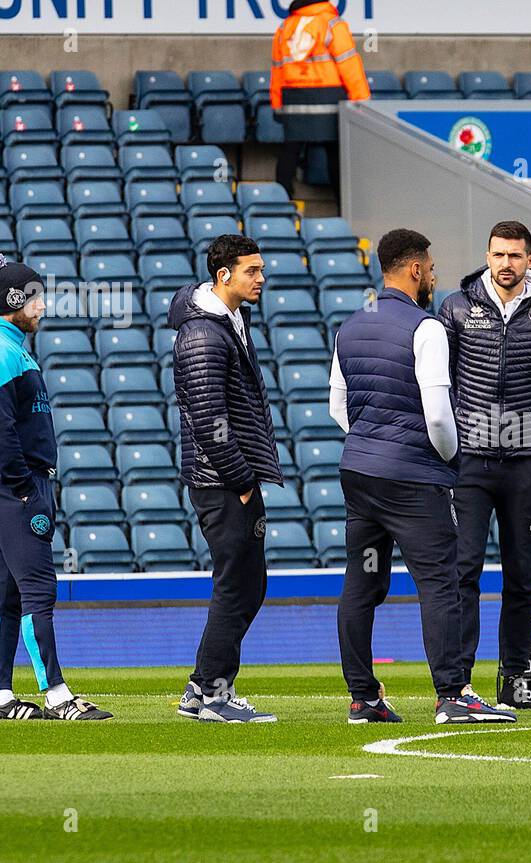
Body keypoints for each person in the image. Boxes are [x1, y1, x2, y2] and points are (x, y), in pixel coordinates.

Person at [331, 228, 515, 725]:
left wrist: (373, 440)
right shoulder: (427, 327)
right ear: (414, 269)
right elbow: (438, 414)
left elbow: (337, 406)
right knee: (442, 584)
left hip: (360, 472)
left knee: (361, 584)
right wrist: (449, 461)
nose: (433, 276)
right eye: (431, 268)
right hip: (414, 477)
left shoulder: (349, 325)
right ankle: (452, 694)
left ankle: (363, 698)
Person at [0, 252, 111, 720]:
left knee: (8, 592)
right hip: (14, 487)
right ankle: (57, 695)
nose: (43, 306)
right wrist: (26, 489)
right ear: (15, 301)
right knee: (38, 590)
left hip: (10, 484)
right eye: (36, 298)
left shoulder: (6, 346)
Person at [437, 221, 531, 709]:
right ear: (487, 255)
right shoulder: (455, 307)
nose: (506, 264)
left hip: (528, 466)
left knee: (522, 577)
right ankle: (460, 681)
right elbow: (441, 383)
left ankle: (515, 677)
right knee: (464, 572)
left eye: (515, 256)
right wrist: (448, 449)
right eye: (498, 255)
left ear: (530, 260)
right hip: (469, 464)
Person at [171, 235, 282, 723]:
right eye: (252, 271)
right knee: (237, 584)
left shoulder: (232, 319)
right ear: (224, 276)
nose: (261, 279)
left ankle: (202, 689)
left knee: (249, 582)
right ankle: (213, 694)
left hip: (231, 476)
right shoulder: (203, 334)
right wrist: (240, 478)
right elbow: (208, 416)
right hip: (220, 480)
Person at [270, 0, 371, 203]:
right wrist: (362, 99)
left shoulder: (285, 26)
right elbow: (348, 63)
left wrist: (277, 104)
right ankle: (344, 206)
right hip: (327, 96)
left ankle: (281, 204)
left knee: (290, 149)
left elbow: (277, 69)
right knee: (334, 152)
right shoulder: (332, 23)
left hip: (293, 96)